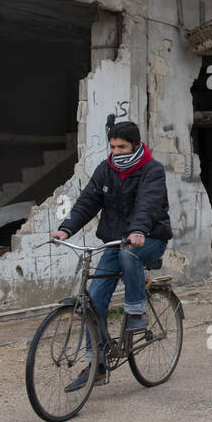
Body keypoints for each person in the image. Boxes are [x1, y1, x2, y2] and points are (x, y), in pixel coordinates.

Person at [52, 118, 172, 391]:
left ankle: (136, 312)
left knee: (129, 256)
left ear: (136, 145)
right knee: (94, 300)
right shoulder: (105, 170)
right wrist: (65, 229)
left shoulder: (152, 170)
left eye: (122, 147)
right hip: (114, 242)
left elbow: (148, 203)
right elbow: (87, 202)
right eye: (113, 147)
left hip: (149, 239)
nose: (116, 152)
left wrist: (139, 230)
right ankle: (97, 365)